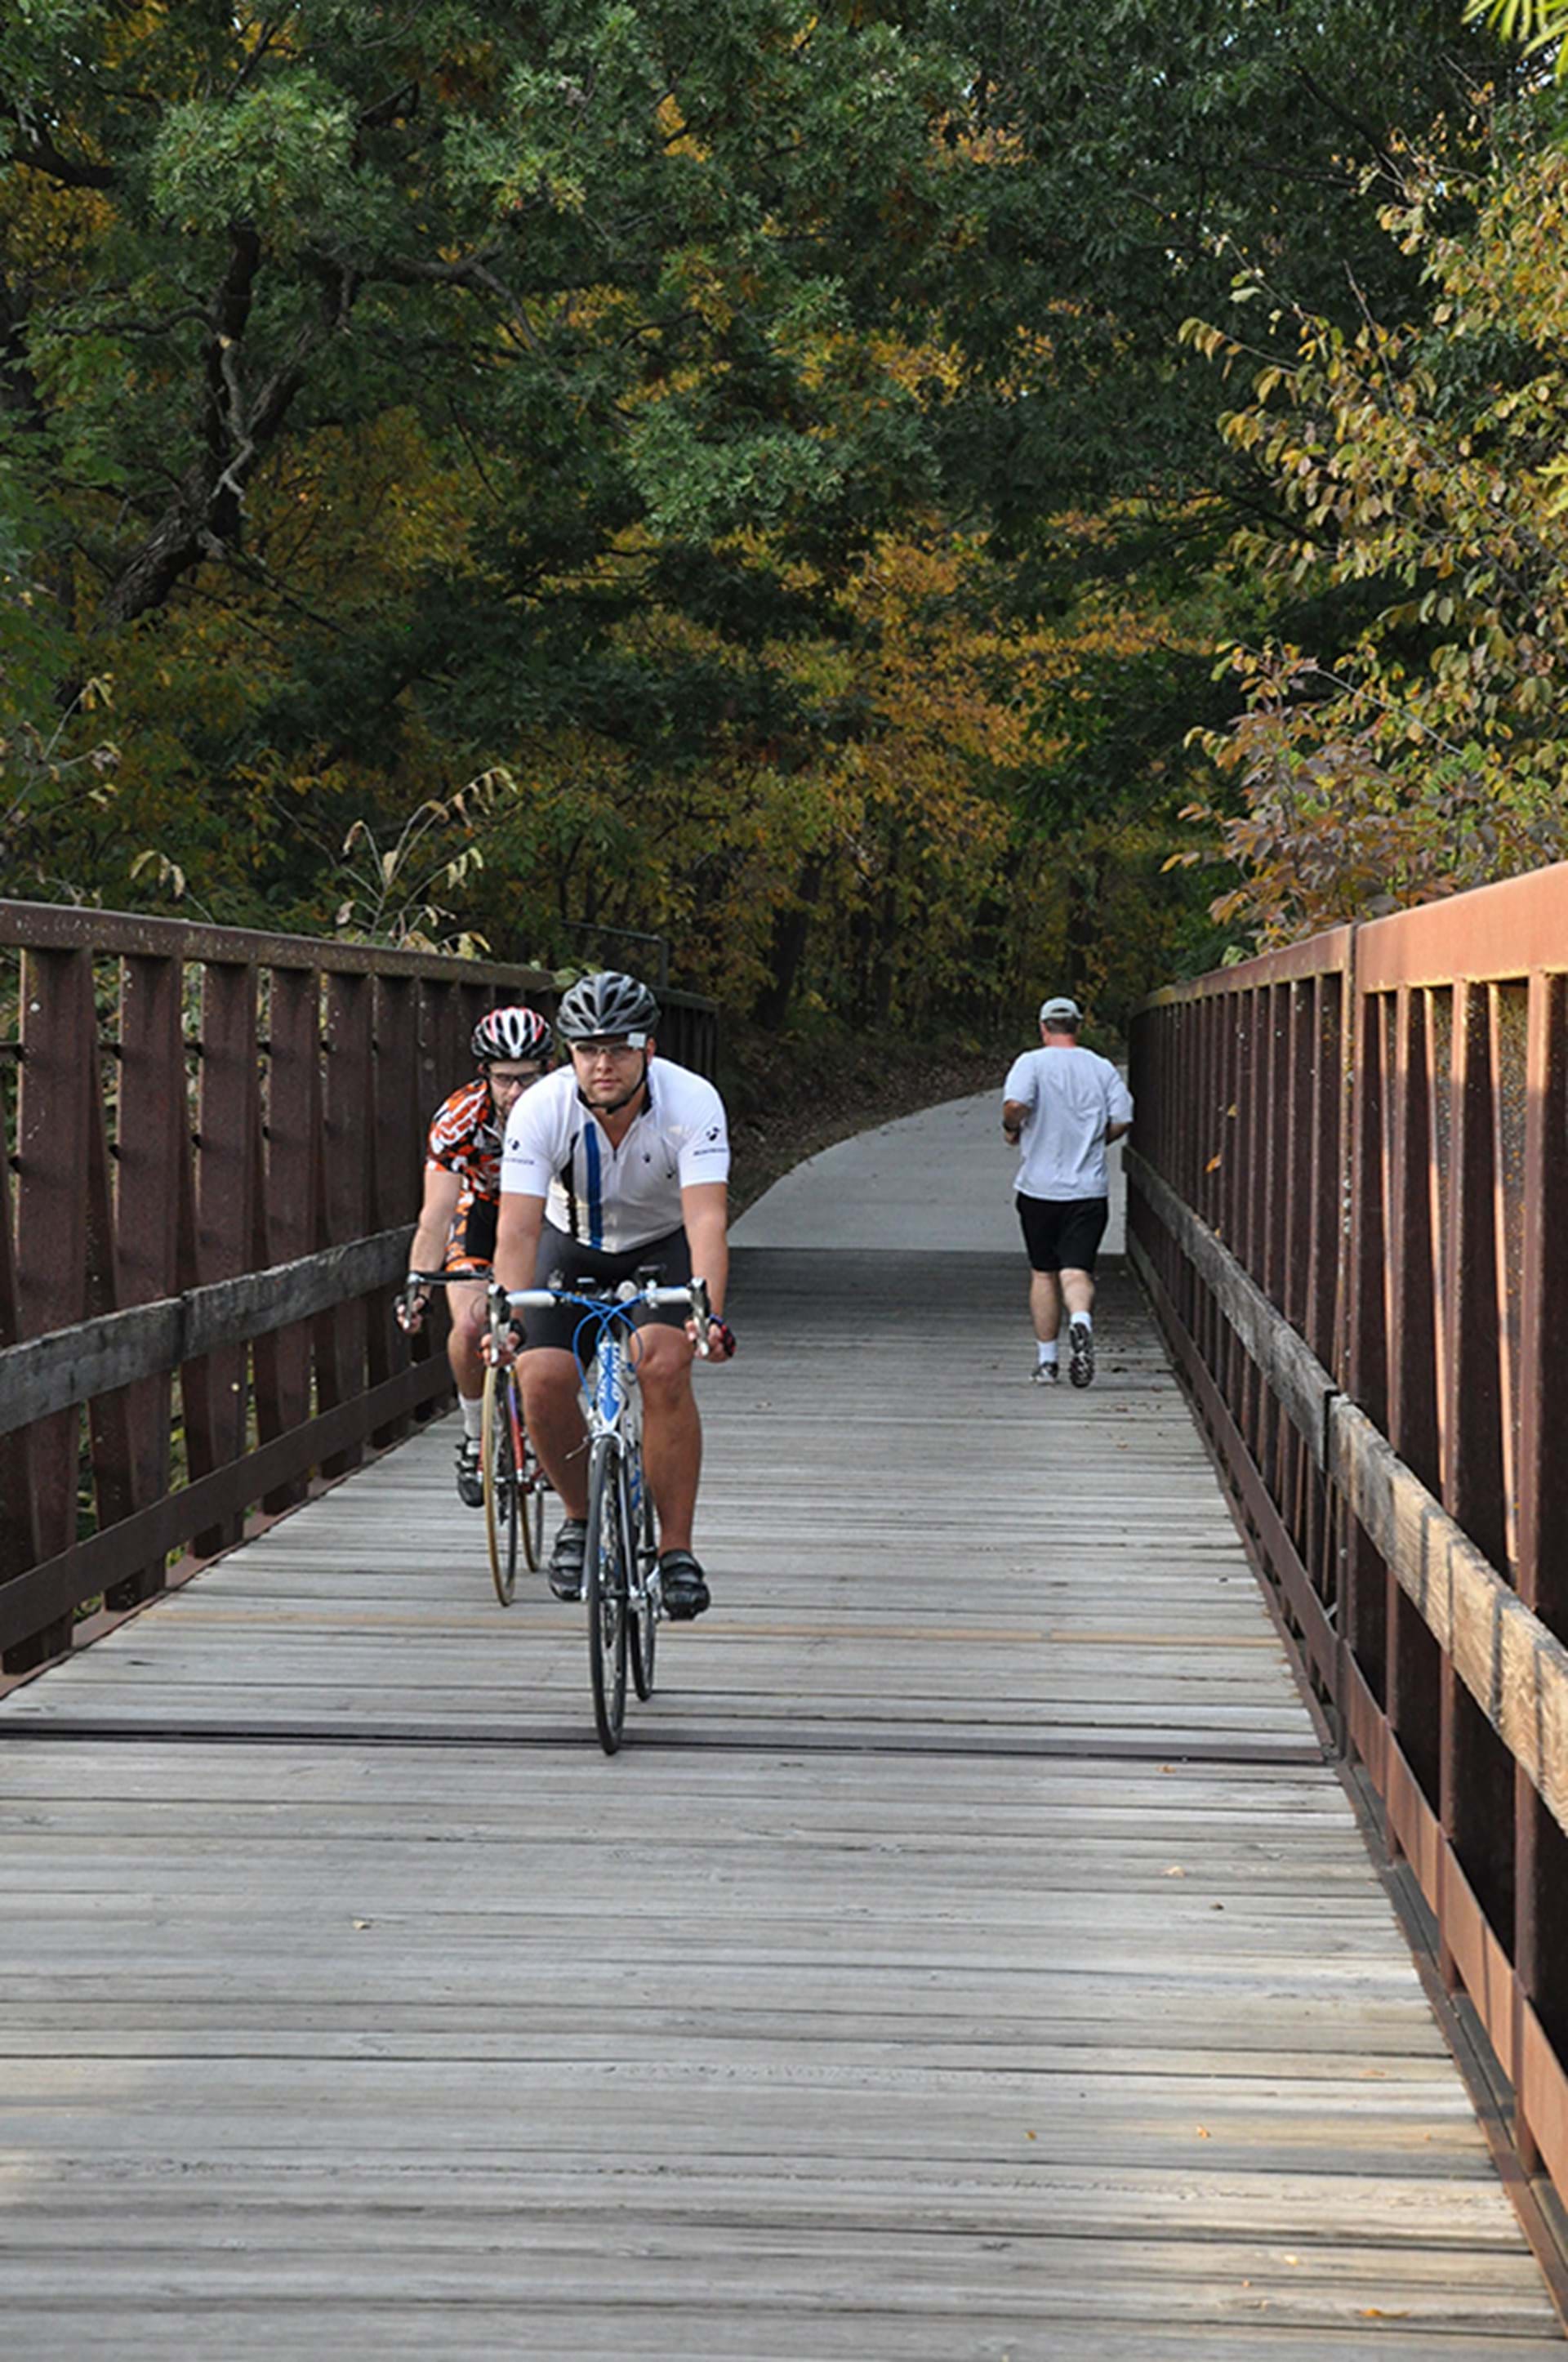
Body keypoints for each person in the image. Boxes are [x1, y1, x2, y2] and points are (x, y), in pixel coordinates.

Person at [489, 969, 735, 1620]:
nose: (603, 1064)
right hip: (571, 1246)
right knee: (539, 1376)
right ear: (569, 1053)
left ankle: (676, 1550)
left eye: (619, 1048)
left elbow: (707, 1220)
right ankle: (578, 1516)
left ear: (648, 1049)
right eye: (587, 1050)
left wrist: (706, 1313)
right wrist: (507, 1314)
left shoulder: (693, 1102)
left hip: (662, 1244)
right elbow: (516, 1228)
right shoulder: (542, 1107)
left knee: (662, 1363)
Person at [397, 1005, 555, 1504]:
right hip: (483, 1212)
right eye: (505, 1080)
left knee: (547, 1328)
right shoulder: (459, 1118)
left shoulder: (569, 1107)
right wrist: (418, 1281)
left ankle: (547, 1428)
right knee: (469, 1328)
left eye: (528, 1079)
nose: (516, 1094)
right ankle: (473, 1435)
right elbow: (437, 1212)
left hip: (548, 1217)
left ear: (547, 1071)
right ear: (484, 1073)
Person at [1002, 995, 1133, 1388]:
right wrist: (1096, 1141)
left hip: (1039, 1189)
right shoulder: (1101, 1068)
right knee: (1077, 1271)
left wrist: (1013, 1127)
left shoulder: (1031, 1063)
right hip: (1087, 1190)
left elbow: (1014, 1105)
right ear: (1078, 1026)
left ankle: (1047, 1363)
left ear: (1043, 1028)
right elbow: (1124, 1118)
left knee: (1044, 1273)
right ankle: (1081, 1320)